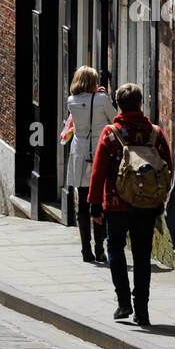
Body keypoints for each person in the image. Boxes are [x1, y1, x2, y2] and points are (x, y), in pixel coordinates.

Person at [89, 82, 172, 327]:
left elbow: (98, 172)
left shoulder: (110, 133)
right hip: (146, 205)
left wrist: (95, 204)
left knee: (115, 247)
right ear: (140, 104)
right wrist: (160, 198)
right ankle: (142, 310)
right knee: (142, 255)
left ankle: (124, 302)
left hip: (117, 203)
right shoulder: (155, 133)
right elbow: (166, 168)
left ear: (118, 105)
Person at [66, 65, 116, 265]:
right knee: (100, 201)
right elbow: (114, 118)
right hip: (99, 152)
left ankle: (85, 250)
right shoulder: (102, 99)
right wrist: (106, 96)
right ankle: (99, 249)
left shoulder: (71, 102)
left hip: (79, 152)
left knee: (83, 205)